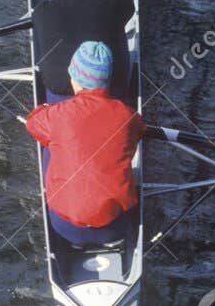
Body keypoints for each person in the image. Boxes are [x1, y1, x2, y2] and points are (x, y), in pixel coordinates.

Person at [24, 41, 144, 247]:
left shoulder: (58, 114)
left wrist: (45, 108)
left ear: (74, 79)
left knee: (51, 145)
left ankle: (75, 244)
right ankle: (112, 242)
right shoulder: (128, 115)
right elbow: (139, 131)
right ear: (107, 81)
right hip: (115, 227)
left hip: (64, 227)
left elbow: (32, 124)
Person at [31, 0, 135, 102]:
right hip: (108, 89)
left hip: (58, 89)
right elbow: (128, 7)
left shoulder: (40, 12)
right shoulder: (113, 4)